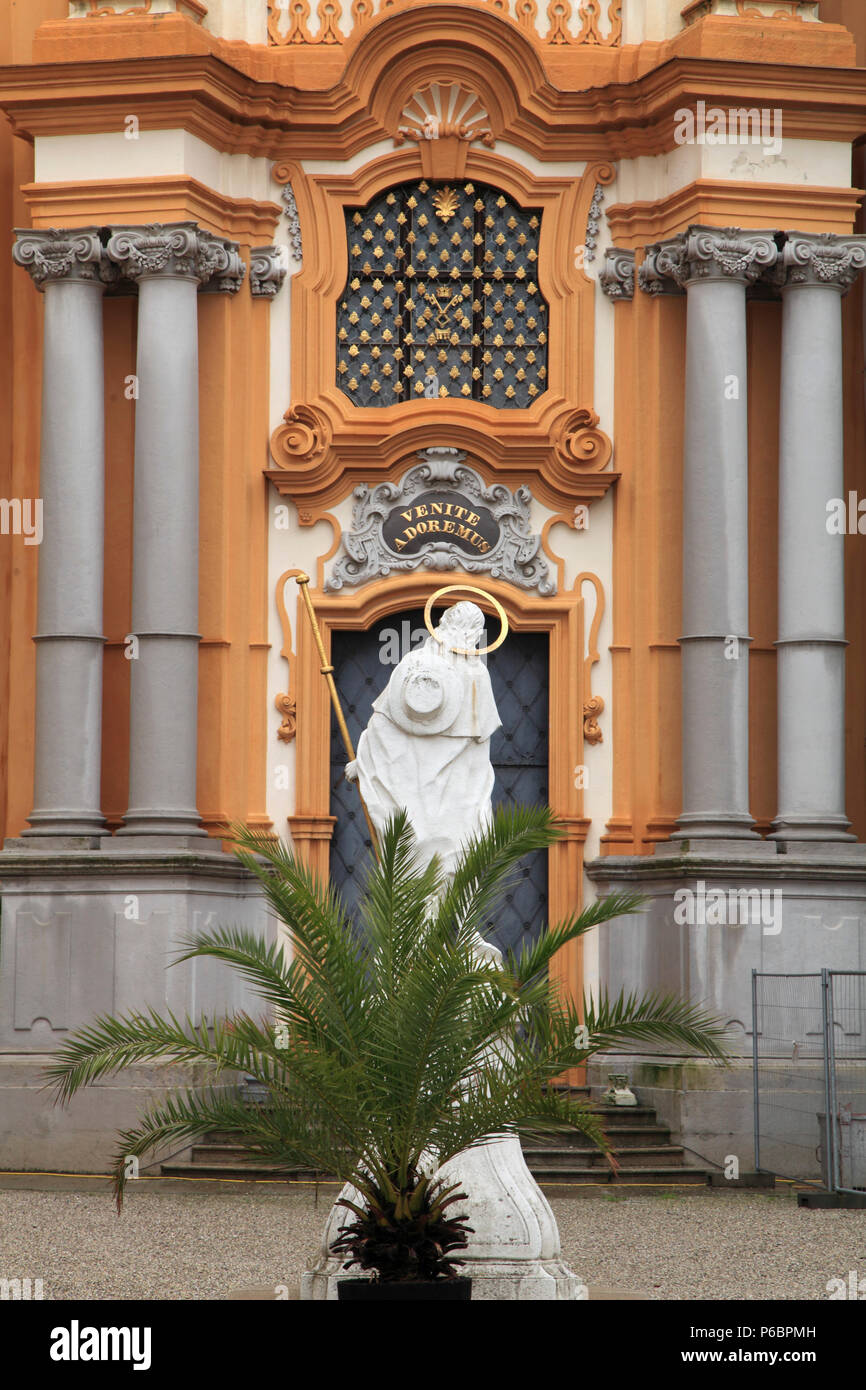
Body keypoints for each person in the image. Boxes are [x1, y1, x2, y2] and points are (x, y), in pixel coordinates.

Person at [345, 601, 501, 881]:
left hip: (436, 784)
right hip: (446, 788)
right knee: (445, 850)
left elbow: (384, 723)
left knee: (431, 849)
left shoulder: (421, 663)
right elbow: (481, 746)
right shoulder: (456, 670)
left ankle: (435, 917)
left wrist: (366, 760)